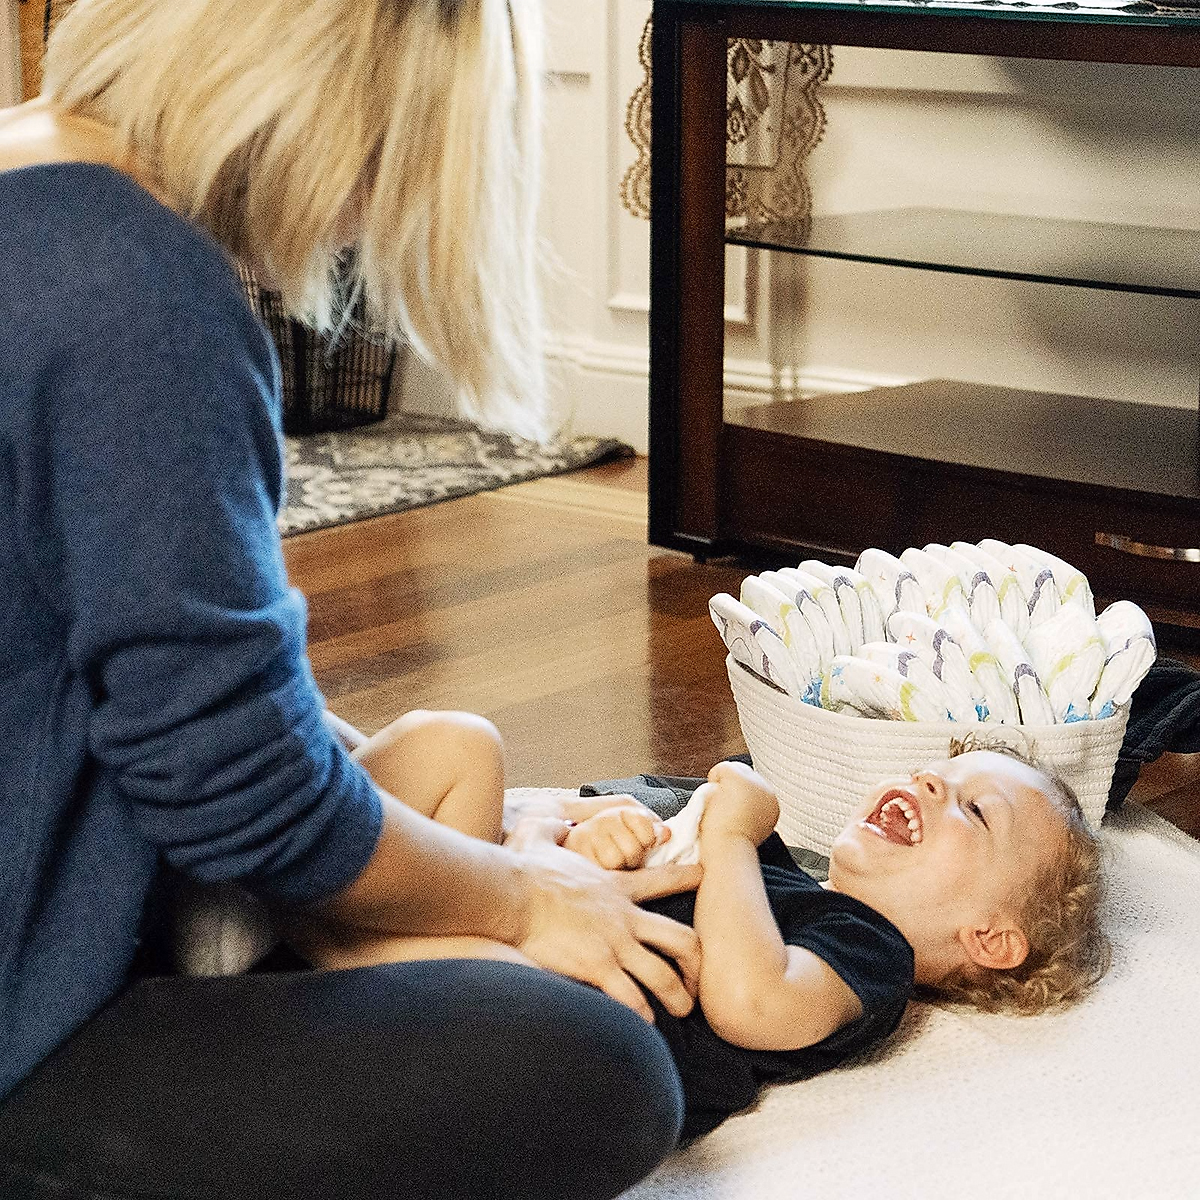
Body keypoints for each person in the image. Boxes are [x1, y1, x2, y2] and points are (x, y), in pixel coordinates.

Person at [0, 3, 705, 1198]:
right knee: (600, 1066)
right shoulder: (139, 293)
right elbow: (241, 800)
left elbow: (111, 650)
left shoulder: (29, 171)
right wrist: (522, 897)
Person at [303, 719, 1109, 1138]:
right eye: (940, 770)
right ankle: (290, 857)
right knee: (460, 744)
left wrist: (725, 838)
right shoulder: (770, 853)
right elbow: (547, 812)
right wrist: (582, 830)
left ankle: (303, 916)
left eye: (972, 808)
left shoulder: (867, 951)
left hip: (533, 1004)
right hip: (501, 912)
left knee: (485, 963)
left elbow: (751, 1005)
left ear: (989, 938)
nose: (932, 780)